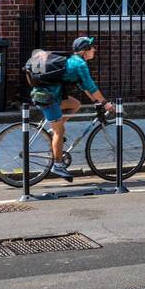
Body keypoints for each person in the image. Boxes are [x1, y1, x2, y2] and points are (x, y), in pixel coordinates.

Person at [30, 36, 114, 181]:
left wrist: (96, 101)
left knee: (75, 104)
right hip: (48, 97)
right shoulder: (80, 65)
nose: (94, 49)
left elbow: (84, 86)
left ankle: (53, 131)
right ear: (84, 51)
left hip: (50, 95)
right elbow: (92, 87)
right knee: (59, 131)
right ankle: (57, 164)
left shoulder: (75, 61)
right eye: (92, 47)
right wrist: (105, 103)